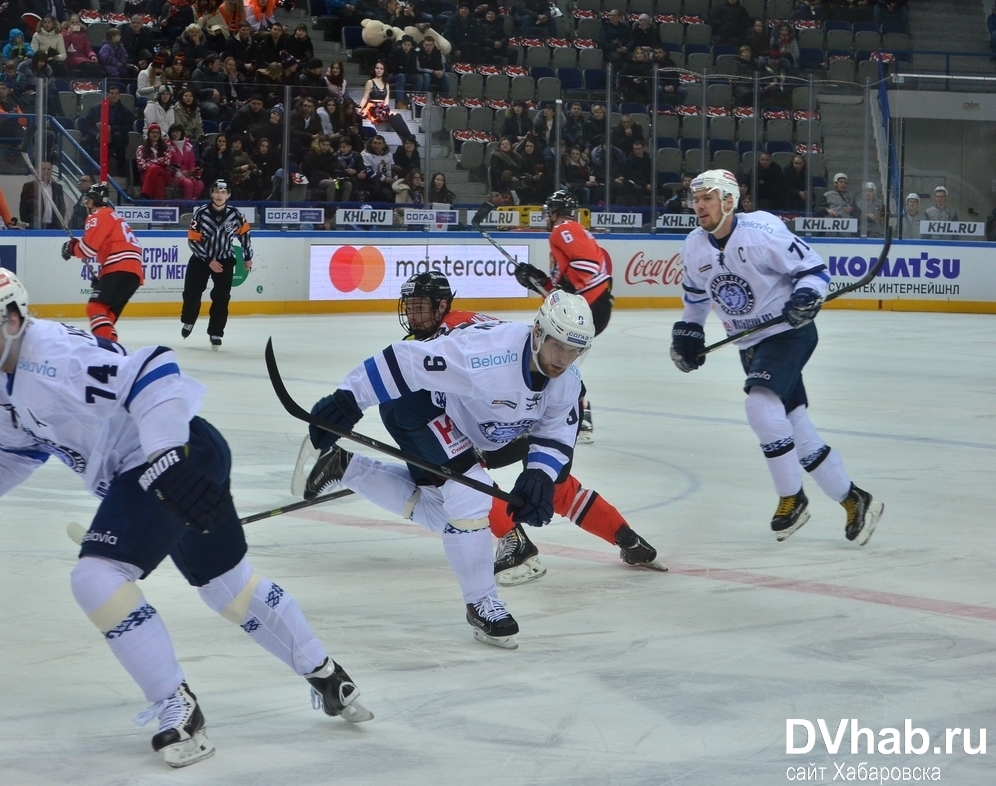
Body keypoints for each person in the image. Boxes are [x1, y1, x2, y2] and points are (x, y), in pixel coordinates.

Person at [0, 268, 370, 769]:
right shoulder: (0, 380)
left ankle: (179, 709)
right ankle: (328, 674)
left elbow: (156, 370)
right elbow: (17, 449)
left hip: (174, 454)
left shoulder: (53, 358)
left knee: (96, 576)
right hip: (178, 457)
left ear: (11, 318)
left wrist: (165, 459)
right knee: (227, 585)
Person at [295, 290, 598, 649]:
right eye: (556, 346)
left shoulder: (566, 380)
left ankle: (344, 468)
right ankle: (483, 603)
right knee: (470, 498)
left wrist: (540, 475)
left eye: (572, 350)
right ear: (537, 333)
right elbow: (404, 360)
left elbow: (557, 430)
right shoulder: (487, 356)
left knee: (451, 518)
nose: (562, 359)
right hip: (414, 407)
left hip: (454, 422)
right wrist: (348, 399)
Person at [332, 272, 662, 584]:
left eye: (421, 307)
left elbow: (411, 378)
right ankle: (626, 537)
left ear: (441, 306)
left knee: (464, 478)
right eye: (412, 307)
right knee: (546, 485)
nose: (414, 315)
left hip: (508, 418)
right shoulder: (472, 326)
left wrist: (351, 402)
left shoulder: (455, 335)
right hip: (518, 419)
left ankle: (516, 541)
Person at [669, 170, 883, 545]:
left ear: (729, 201)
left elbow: (813, 271)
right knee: (795, 426)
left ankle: (791, 497)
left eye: (707, 198)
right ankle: (854, 499)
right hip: (749, 343)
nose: (698, 205)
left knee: (761, 409)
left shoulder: (762, 232)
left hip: (788, 334)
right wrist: (690, 330)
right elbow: (696, 296)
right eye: (695, 198)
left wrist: (805, 298)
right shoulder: (694, 245)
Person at [515, 188, 614, 436]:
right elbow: (562, 288)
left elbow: (586, 266)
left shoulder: (564, 228)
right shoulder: (571, 232)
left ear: (555, 212)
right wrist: (536, 280)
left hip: (591, 306)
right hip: (594, 306)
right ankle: (577, 411)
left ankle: (575, 412)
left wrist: (566, 290)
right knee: (555, 355)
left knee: (551, 354)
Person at [61, 183, 143, 342]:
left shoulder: (98, 215)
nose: (87, 204)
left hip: (119, 268)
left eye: (88, 200)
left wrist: (72, 248)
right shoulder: (116, 217)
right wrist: (103, 277)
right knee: (106, 316)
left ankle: (106, 351)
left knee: (95, 307)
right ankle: (111, 348)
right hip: (133, 273)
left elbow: (88, 250)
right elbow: (115, 247)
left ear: (93, 201)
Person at [181, 180, 253, 349]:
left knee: (222, 298)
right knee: (191, 293)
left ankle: (216, 332)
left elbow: (245, 236)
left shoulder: (236, 215)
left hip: (225, 259)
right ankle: (189, 320)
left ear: (228, 195)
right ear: (211, 194)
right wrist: (208, 260)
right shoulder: (200, 213)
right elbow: (192, 240)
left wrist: (247, 256)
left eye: (223, 192)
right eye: (217, 191)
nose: (220, 195)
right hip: (201, 259)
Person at [19, 159, 66, 228]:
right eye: (43, 169)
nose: (46, 171)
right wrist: (29, 224)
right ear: (38, 171)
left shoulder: (58, 187)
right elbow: (23, 209)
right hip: (35, 226)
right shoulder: (29, 186)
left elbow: (61, 207)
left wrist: (59, 223)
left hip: (54, 227)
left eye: (49, 169)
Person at [166, 123, 204, 200]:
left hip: (187, 174)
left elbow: (191, 162)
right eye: (173, 132)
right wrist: (179, 172)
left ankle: (192, 204)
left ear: (181, 132)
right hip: (173, 175)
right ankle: (185, 208)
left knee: (200, 184)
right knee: (188, 183)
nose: (175, 134)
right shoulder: (167, 146)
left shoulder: (188, 146)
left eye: (177, 131)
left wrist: (191, 172)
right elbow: (167, 164)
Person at [136, 122, 172, 200]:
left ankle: (145, 193)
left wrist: (150, 162)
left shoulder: (166, 147)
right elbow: (141, 166)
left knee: (154, 168)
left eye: (157, 132)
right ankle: (159, 206)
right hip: (147, 176)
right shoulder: (141, 148)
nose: (155, 134)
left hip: (165, 174)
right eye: (153, 132)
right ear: (148, 134)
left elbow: (167, 162)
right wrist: (159, 161)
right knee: (159, 180)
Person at [359, 61, 391, 125]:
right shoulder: (370, 82)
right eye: (377, 68)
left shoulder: (387, 85)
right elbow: (365, 98)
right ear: (374, 69)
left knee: (397, 116)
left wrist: (385, 110)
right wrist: (359, 109)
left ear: (384, 71)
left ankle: (408, 135)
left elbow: (387, 101)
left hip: (382, 108)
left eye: (381, 69)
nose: (379, 70)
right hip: (372, 107)